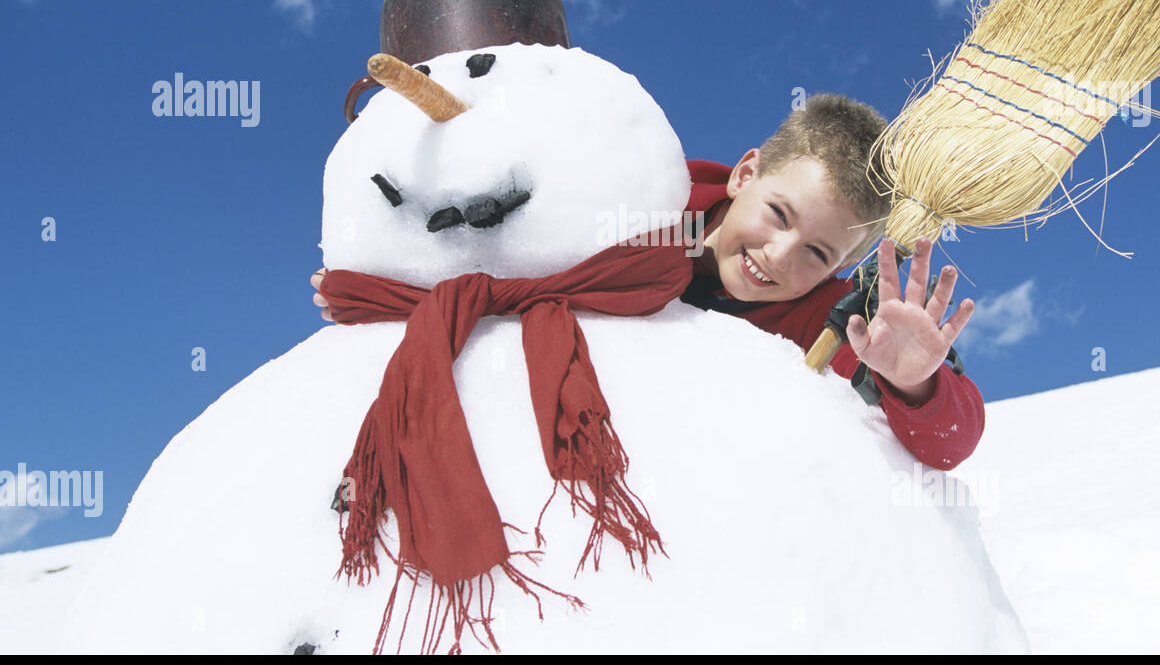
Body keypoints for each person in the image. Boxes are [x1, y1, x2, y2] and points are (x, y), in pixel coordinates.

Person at [312, 92, 983, 470]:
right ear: (746, 173)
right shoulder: (641, 208)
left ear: (840, 266)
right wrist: (388, 286)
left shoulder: (841, 323)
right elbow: (514, 260)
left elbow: (950, 447)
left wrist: (914, 382)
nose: (779, 256)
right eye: (777, 215)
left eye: (816, 253)